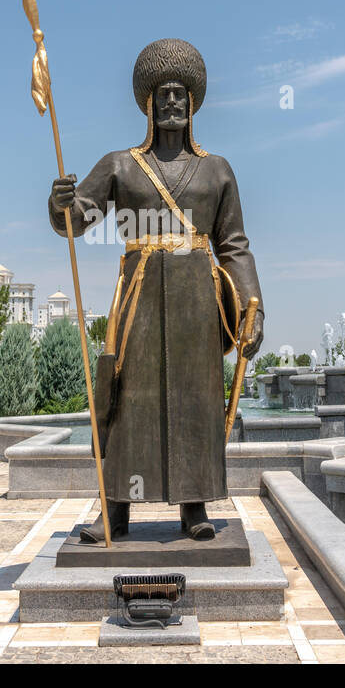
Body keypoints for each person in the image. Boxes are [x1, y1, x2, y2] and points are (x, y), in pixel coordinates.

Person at [48, 38, 264, 542]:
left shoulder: (217, 170)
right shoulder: (121, 165)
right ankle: (116, 509)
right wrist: (60, 203)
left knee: (196, 397)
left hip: (197, 298)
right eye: (163, 93)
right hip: (140, 294)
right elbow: (77, 219)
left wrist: (252, 308)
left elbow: (234, 246)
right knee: (127, 396)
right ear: (147, 101)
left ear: (193, 102)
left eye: (180, 94)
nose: (171, 102)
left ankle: (194, 505)